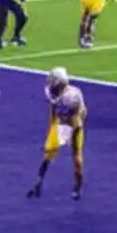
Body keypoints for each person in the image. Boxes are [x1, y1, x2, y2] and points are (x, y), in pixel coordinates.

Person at [27, 67, 87, 200]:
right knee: (49, 150)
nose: (51, 86)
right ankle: (39, 180)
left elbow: (80, 114)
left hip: (73, 125)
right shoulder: (58, 93)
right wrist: (51, 129)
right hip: (61, 123)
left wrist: (72, 132)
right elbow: (53, 109)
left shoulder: (71, 97)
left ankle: (77, 187)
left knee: (77, 158)